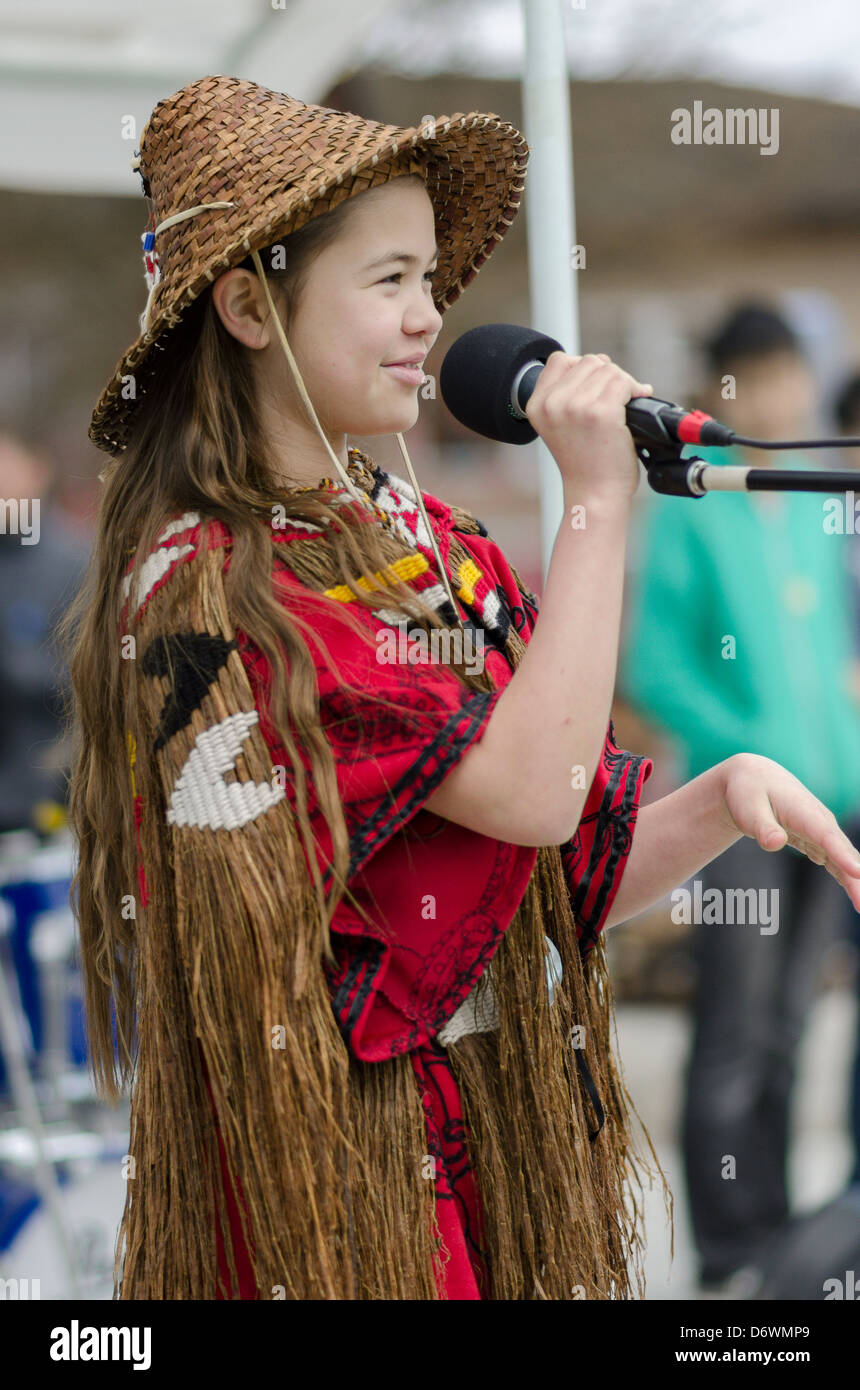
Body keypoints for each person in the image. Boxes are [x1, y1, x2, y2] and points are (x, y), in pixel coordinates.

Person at [61, 78, 860, 1301]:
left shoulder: (429, 540)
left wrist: (715, 798)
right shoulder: (209, 584)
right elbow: (535, 793)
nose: (428, 318)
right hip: (332, 1185)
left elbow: (553, 869)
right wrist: (592, 502)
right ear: (247, 304)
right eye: (386, 280)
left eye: (431, 281)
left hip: (470, 1154)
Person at [619, 303, 860, 1294]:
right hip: (740, 811)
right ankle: (726, 1246)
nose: (779, 397)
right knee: (731, 1027)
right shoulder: (692, 503)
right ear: (726, 389)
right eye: (757, 379)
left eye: (788, 376)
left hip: (830, 803)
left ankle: (775, 1236)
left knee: (793, 1027)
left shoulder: (807, 500)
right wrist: (736, 747)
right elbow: (652, 663)